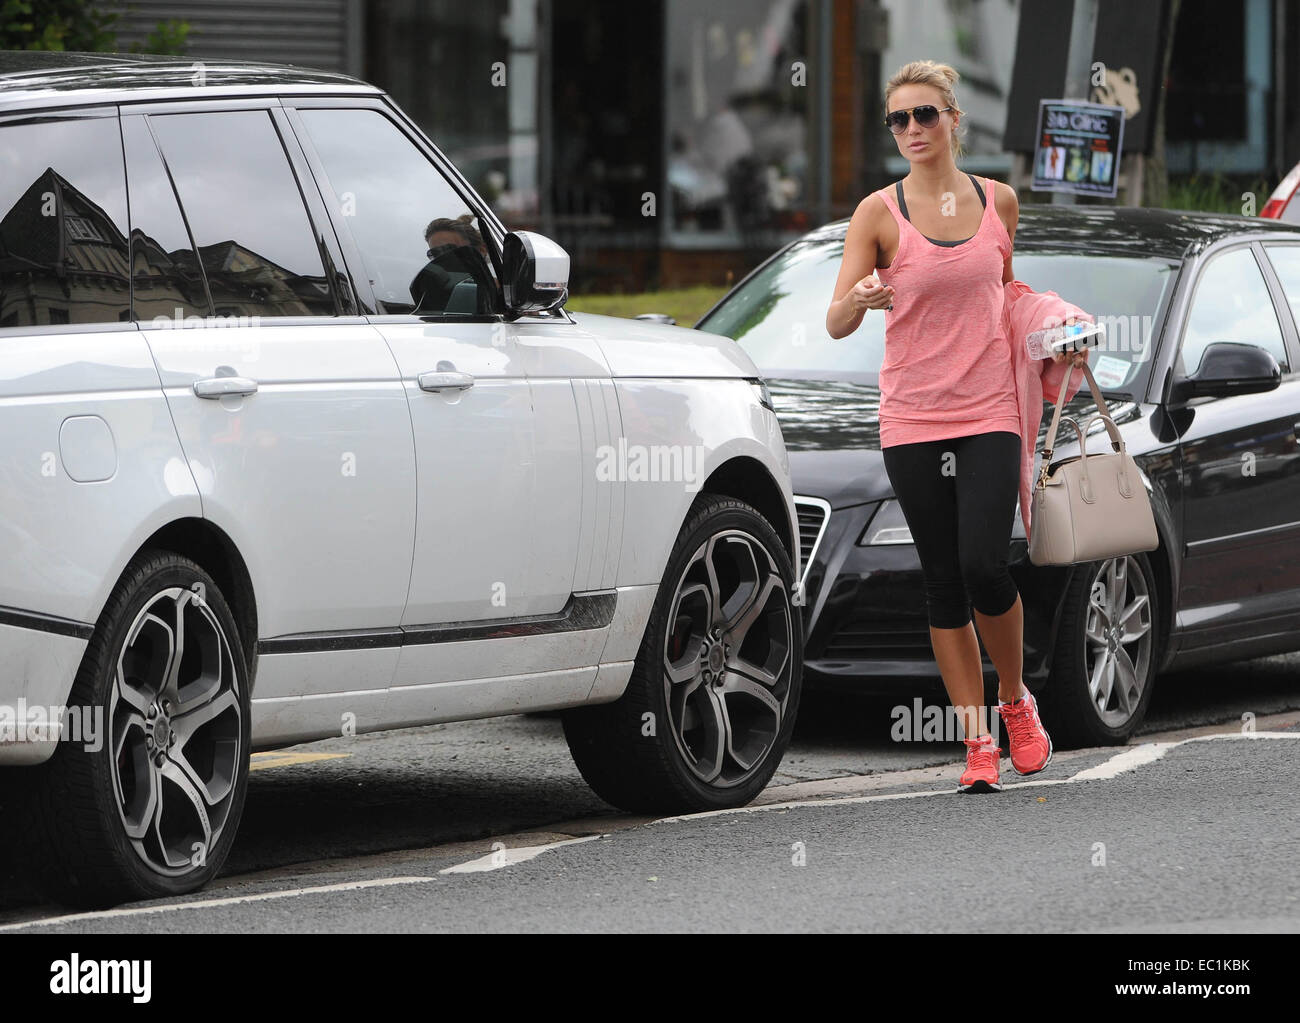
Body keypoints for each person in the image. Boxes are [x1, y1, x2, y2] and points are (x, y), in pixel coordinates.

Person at [825, 59, 1088, 793]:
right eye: (898, 120)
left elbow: (1007, 294)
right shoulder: (878, 213)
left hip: (987, 409)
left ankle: (1015, 700)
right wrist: (865, 297)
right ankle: (976, 742)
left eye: (924, 116)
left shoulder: (998, 202)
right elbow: (837, 317)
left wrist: (1053, 325)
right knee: (941, 580)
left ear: (952, 120)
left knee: (983, 565)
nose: (911, 129)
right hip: (911, 412)